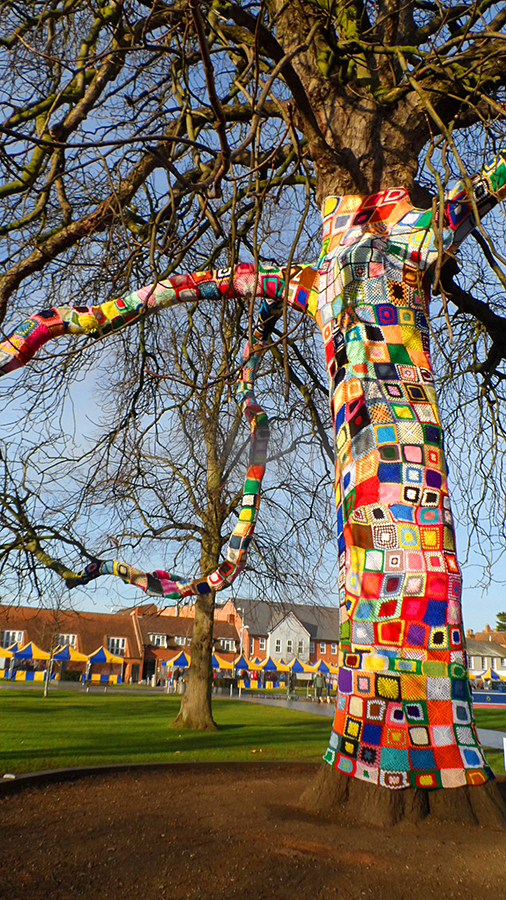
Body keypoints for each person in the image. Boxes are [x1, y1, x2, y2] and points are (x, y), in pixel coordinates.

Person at [2, 153, 506, 792]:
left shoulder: (403, 243)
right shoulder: (329, 276)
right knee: (376, 559)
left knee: (394, 558)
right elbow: (180, 288)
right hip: (373, 449)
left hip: (391, 430)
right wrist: (54, 326)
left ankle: (412, 746)